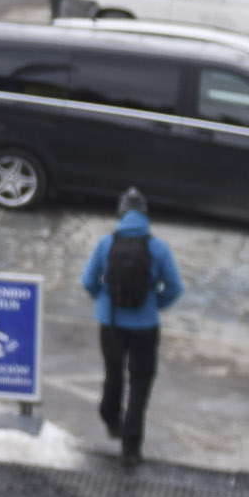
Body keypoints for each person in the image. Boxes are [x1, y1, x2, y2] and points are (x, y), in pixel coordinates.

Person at [78, 187, 185, 466]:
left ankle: (111, 417)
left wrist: (104, 301)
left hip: (111, 322)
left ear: (121, 214)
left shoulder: (106, 243)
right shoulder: (158, 247)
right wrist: (154, 304)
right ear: (145, 215)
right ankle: (131, 446)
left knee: (114, 374)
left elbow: (88, 280)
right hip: (145, 326)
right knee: (140, 383)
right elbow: (174, 287)